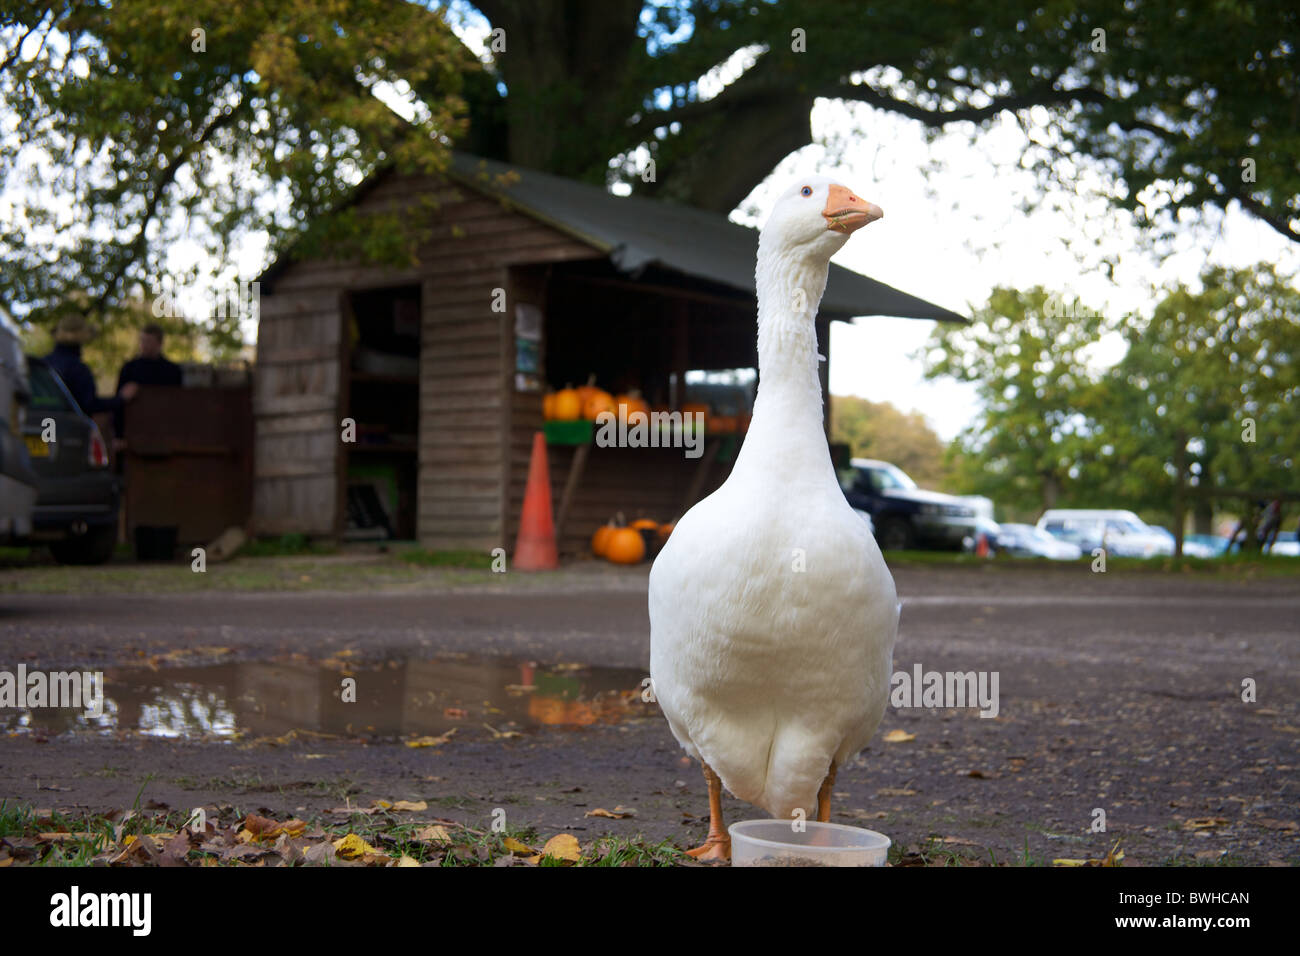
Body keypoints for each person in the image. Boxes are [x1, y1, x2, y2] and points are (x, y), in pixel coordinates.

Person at [44, 314, 134, 416]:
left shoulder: (42, 365)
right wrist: (121, 399)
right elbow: (89, 404)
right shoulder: (78, 369)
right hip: (69, 428)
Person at [114, 323, 182, 438]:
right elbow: (119, 402)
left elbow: (177, 404)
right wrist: (119, 435)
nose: (144, 345)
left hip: (163, 432)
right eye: (143, 341)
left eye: (149, 341)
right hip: (134, 431)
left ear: (159, 344)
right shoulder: (129, 369)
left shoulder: (172, 371)